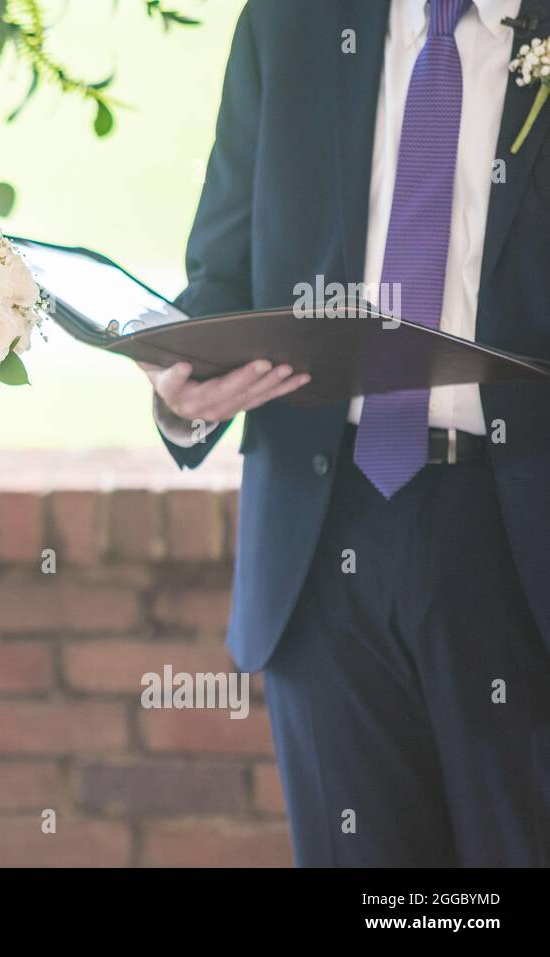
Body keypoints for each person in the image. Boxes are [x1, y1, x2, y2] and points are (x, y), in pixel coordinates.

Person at [145, 0, 550, 865]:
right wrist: (184, 392)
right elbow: (220, 278)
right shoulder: (288, 24)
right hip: (322, 532)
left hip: (519, 533)